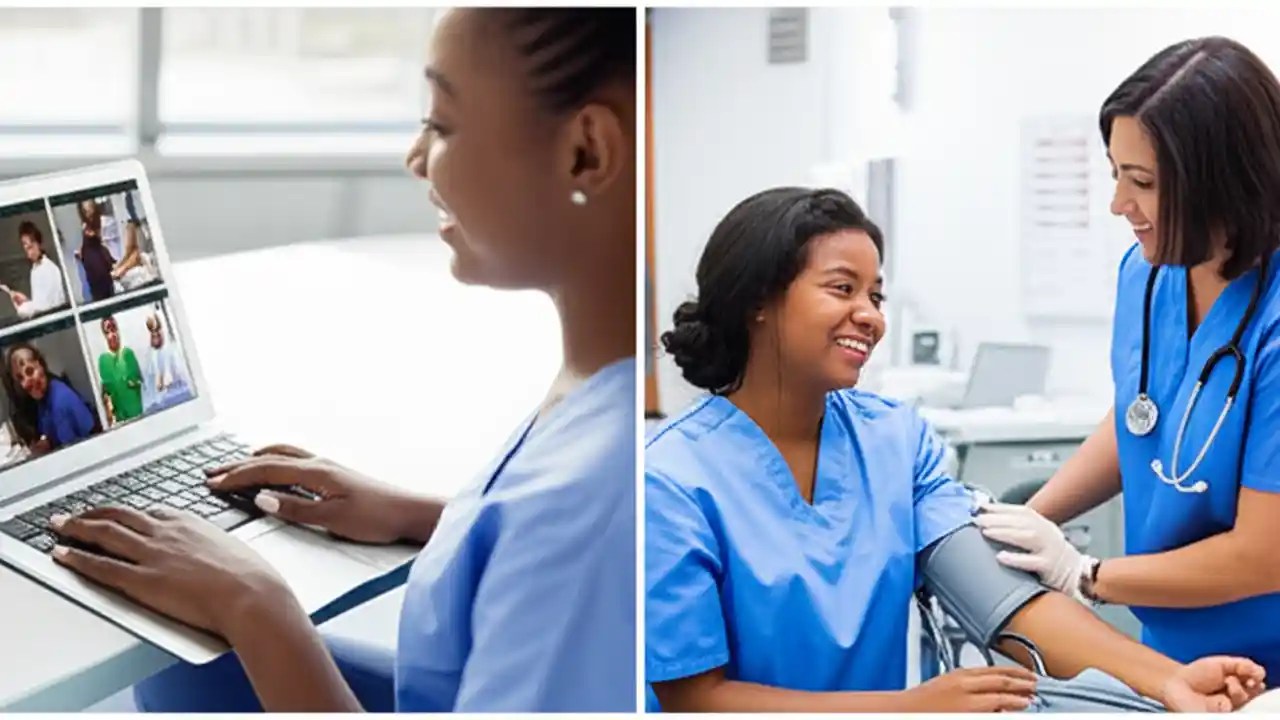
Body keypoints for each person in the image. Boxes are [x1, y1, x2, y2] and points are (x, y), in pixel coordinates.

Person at [48, 7, 637, 713]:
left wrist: (255, 603)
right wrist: (415, 514)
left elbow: (568, 539)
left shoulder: (598, 509)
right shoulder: (620, 373)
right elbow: (539, 535)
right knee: (184, 665)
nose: (415, 156)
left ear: (587, 153)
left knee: (207, 644)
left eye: (442, 123)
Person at [645, 187, 1266, 713]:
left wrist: (1165, 677)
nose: (870, 316)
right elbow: (695, 698)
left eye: (876, 296)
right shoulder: (670, 480)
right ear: (758, 301)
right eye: (842, 289)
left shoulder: (894, 441)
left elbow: (1004, 601)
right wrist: (906, 709)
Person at [975, 36, 1280, 685]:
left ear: (1221, 180)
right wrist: (1035, 518)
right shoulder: (1148, 277)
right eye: (1114, 173)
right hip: (1167, 652)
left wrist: (1086, 576)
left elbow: (1264, 555)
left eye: (1141, 182)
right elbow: (1142, 420)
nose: (1119, 205)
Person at [2, 343, 97, 456]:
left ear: (41, 365)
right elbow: (48, 432)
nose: (25, 383)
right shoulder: (44, 397)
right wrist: (45, 442)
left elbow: (71, 455)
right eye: (20, 378)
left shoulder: (59, 402)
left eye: (30, 371)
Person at [2, 221, 68, 320]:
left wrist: (26, 307)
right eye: (25, 246)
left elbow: (47, 307)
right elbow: (39, 303)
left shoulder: (49, 269)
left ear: (38, 243)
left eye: (31, 246)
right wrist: (25, 300)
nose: (28, 249)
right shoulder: (34, 270)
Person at [97, 315, 143, 425]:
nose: (112, 335)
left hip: (136, 412)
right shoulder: (103, 360)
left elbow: (139, 380)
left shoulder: (128, 354)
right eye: (107, 332)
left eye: (114, 330)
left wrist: (133, 383)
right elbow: (105, 390)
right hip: (119, 417)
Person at [76, 198, 118, 302]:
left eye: (90, 210)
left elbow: (109, 250)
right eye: (85, 212)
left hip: (108, 277)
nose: (88, 215)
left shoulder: (106, 224)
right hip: (94, 281)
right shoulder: (85, 227)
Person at [144, 313, 184, 397]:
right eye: (152, 331)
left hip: (163, 353)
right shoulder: (153, 352)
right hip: (158, 355)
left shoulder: (168, 347)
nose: (155, 334)